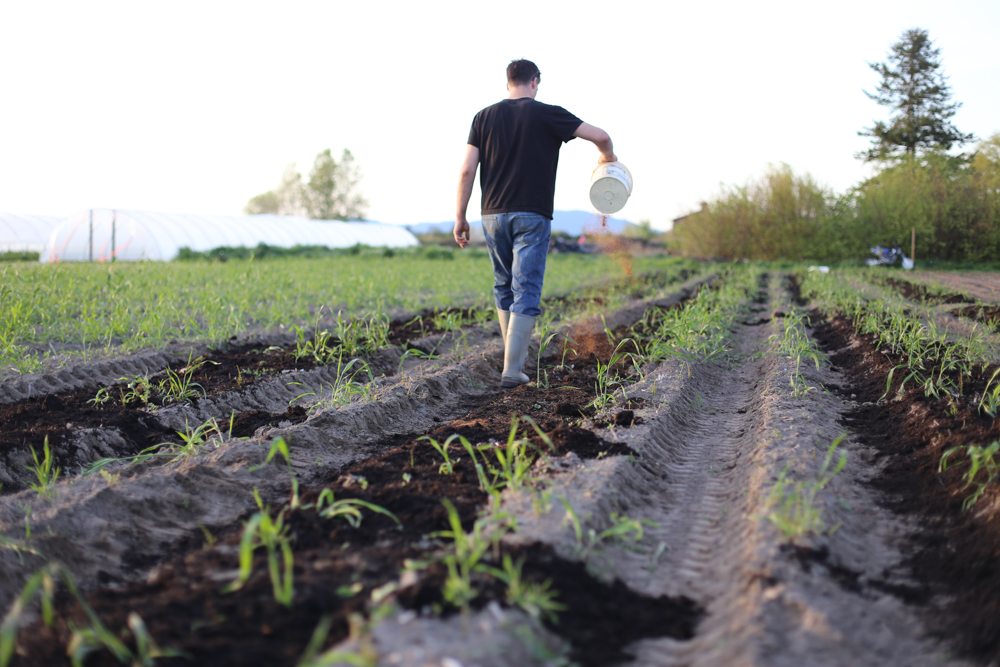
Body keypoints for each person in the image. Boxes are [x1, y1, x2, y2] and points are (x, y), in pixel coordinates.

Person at [454, 59, 617, 388]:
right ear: (535, 81)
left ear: (508, 82)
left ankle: (512, 361)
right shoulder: (547, 113)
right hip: (532, 214)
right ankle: (512, 370)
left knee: (503, 286)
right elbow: (601, 136)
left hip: (492, 216)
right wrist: (607, 159)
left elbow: (467, 170)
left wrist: (460, 215)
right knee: (525, 289)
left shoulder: (483, 117)